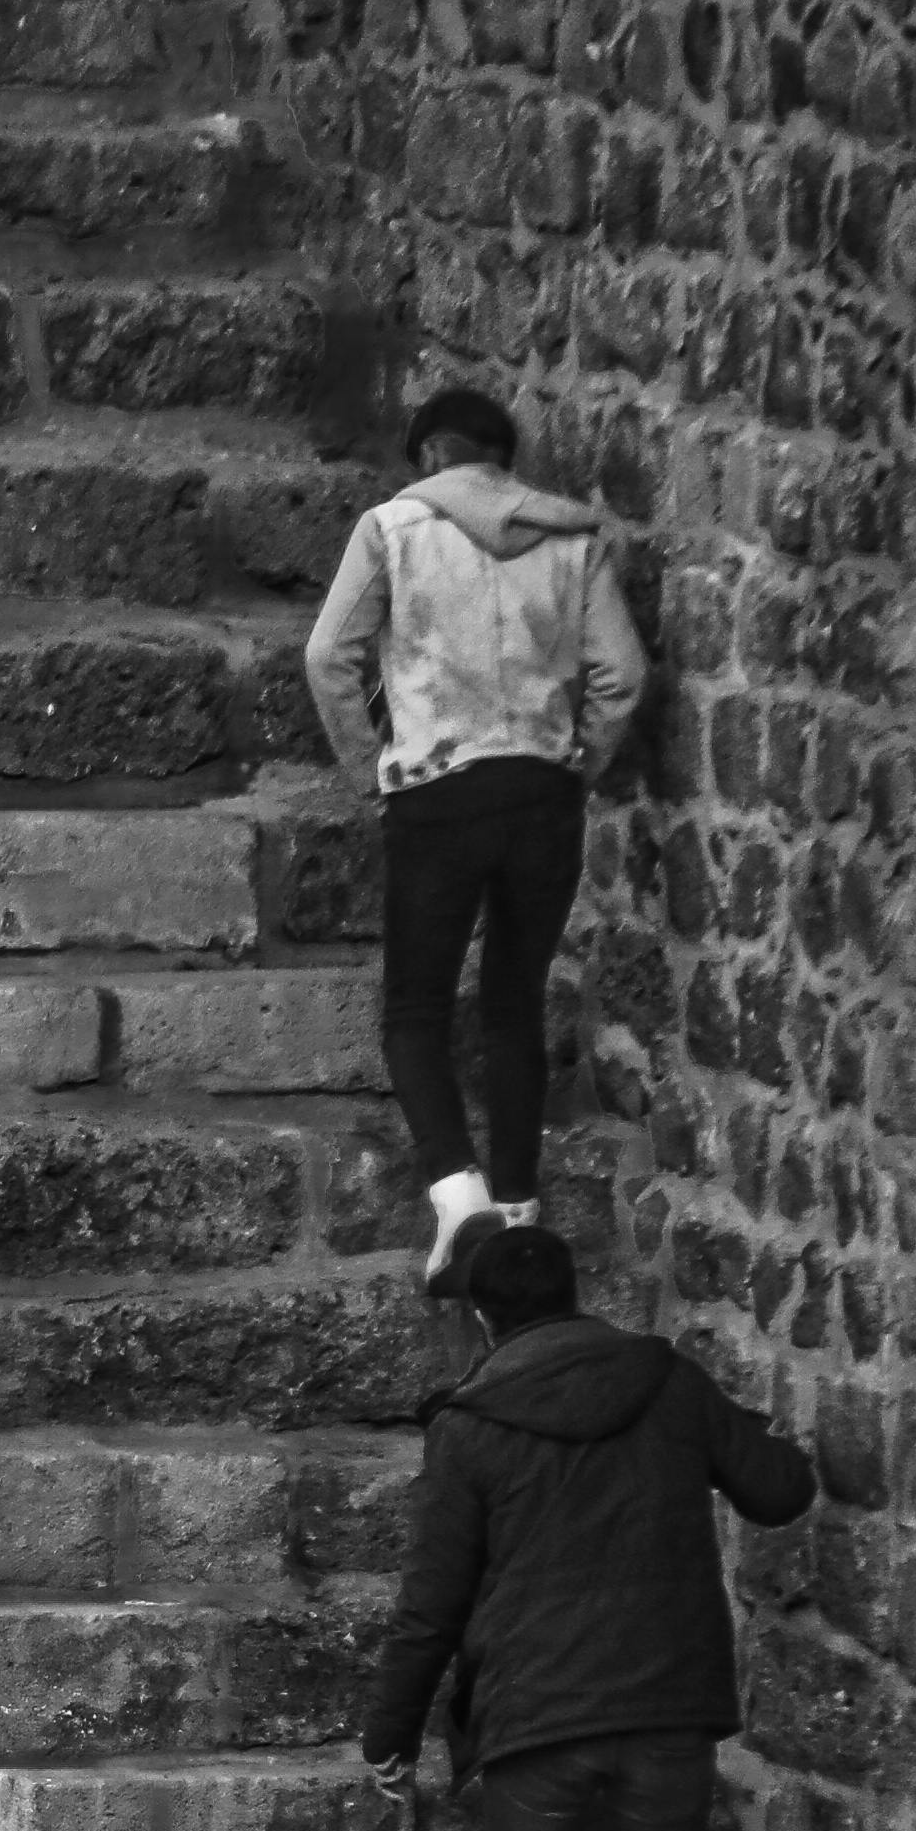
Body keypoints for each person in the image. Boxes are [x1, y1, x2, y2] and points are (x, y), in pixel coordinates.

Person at [359, 1218, 816, 1831]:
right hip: (667, 1704)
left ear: (482, 1317)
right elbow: (779, 1490)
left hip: (537, 1714)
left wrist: (388, 1737)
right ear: (576, 1291)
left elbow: (430, 1603)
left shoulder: (469, 1426)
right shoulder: (667, 1382)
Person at [305, 385, 646, 1289]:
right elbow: (622, 676)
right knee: (513, 1004)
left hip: (436, 794)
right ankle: (523, 1209)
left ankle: (459, 1198)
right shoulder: (573, 540)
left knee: (415, 1012)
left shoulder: (391, 529)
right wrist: (579, 763)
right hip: (542, 794)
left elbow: (325, 655)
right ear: (503, 460)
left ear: (429, 458)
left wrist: (368, 767)